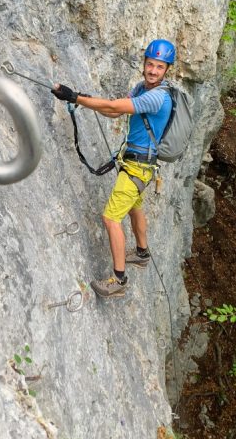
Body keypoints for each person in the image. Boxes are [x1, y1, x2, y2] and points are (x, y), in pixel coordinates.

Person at [51, 39, 176, 298]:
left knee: (111, 218)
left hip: (137, 167)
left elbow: (114, 106)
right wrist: (82, 100)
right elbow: (114, 112)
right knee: (135, 206)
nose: (153, 70)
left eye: (159, 67)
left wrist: (77, 97)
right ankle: (142, 253)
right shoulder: (142, 88)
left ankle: (118, 280)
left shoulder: (157, 97)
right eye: (150, 64)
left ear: (167, 70)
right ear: (144, 64)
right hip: (138, 164)